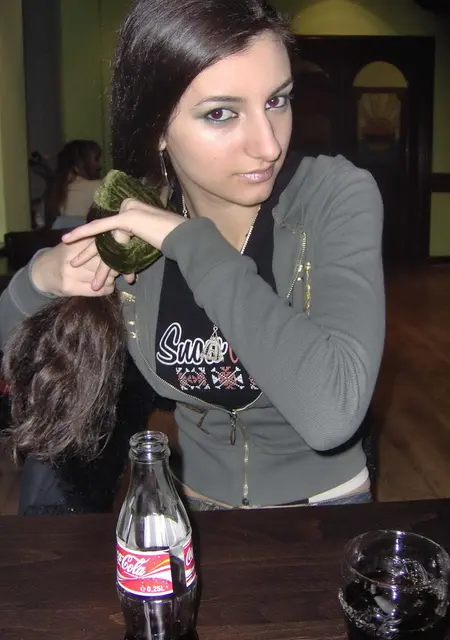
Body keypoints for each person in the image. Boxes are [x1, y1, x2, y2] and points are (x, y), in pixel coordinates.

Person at [0, 0, 384, 511]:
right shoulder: (136, 228)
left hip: (326, 512)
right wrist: (38, 280)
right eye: (221, 113)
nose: (268, 145)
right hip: (198, 512)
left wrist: (192, 243)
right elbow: (18, 352)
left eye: (277, 101)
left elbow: (331, 413)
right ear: (157, 127)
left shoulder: (335, 195)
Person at [43, 139, 103, 230]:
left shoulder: (53, 190)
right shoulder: (98, 187)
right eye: (96, 159)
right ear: (82, 162)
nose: (99, 166)